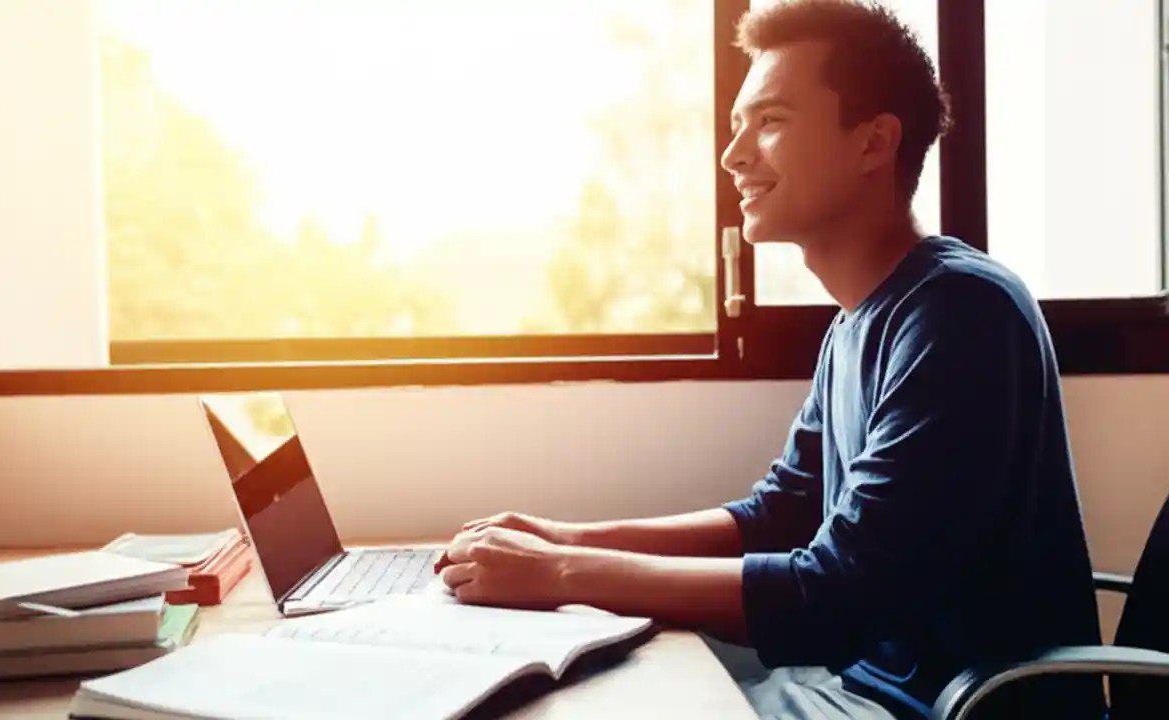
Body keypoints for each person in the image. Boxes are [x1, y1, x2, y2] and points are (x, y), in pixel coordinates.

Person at [436, 1, 1104, 718]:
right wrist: (561, 539)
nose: (734, 155)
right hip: (849, 686)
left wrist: (566, 572)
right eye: (737, 125)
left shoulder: (960, 314)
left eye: (771, 121)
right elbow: (777, 517)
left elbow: (835, 595)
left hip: (931, 708)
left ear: (874, 143)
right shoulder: (857, 322)